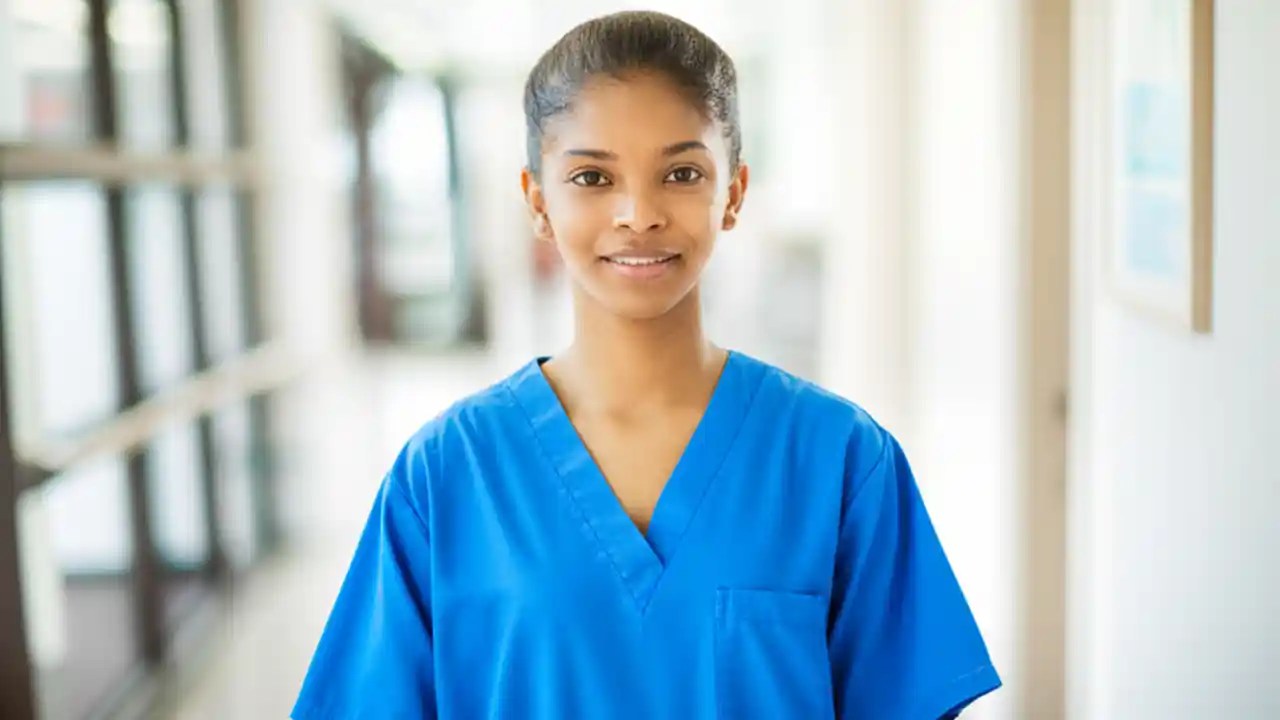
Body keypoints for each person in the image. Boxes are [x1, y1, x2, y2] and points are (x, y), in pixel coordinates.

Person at [292, 10, 1000, 719]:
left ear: (733, 194)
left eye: (682, 173)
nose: (638, 213)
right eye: (592, 177)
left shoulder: (837, 457)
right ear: (538, 202)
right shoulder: (448, 472)